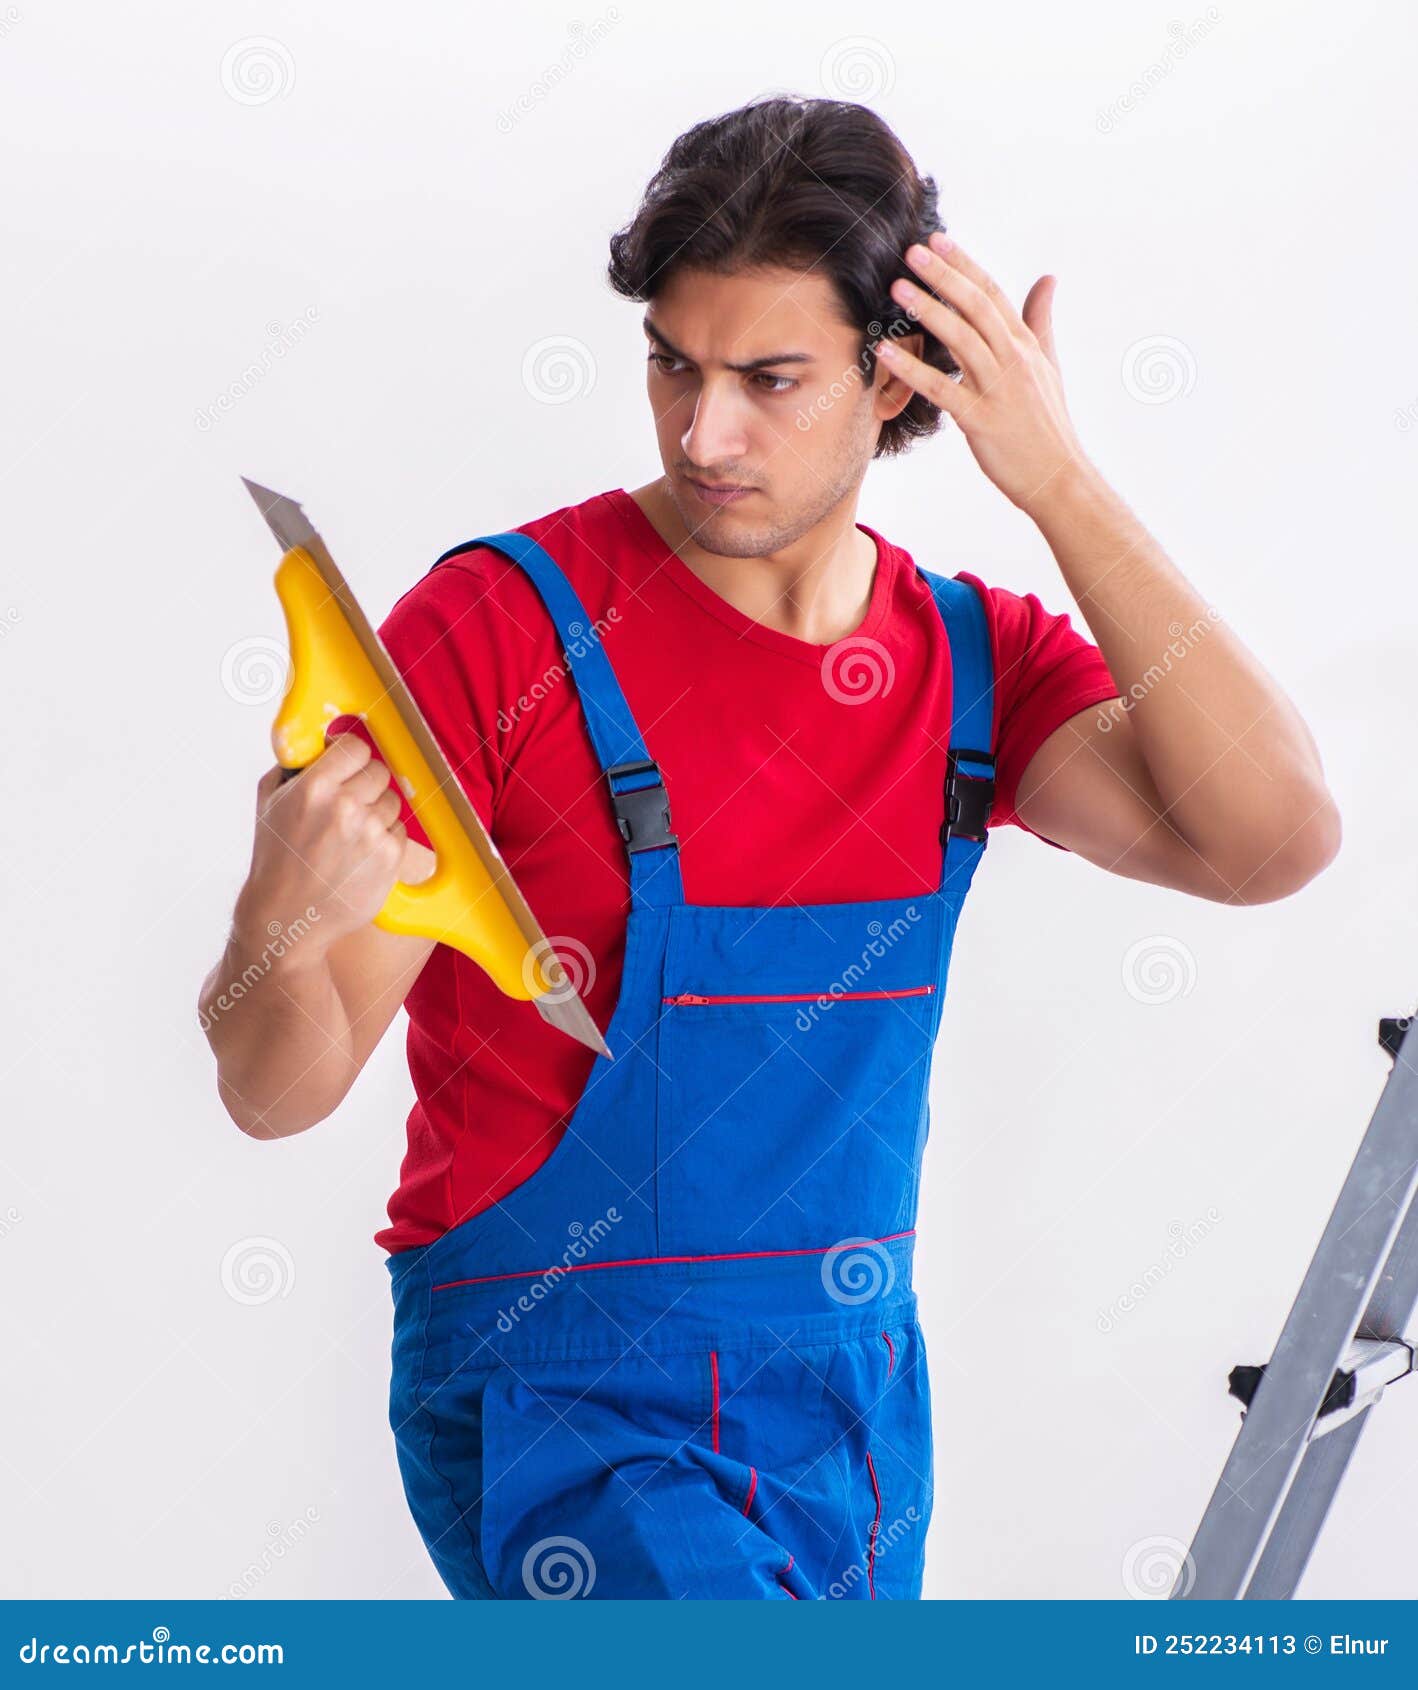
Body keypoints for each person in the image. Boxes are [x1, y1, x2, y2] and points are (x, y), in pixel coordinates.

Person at [198, 94, 1341, 1600]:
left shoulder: (963, 667)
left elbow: (1271, 840)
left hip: (848, 1403)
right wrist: (279, 908)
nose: (700, 429)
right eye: (673, 362)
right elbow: (276, 1089)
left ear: (896, 380)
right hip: (559, 1395)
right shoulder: (496, 633)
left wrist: (1057, 479)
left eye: (769, 377)